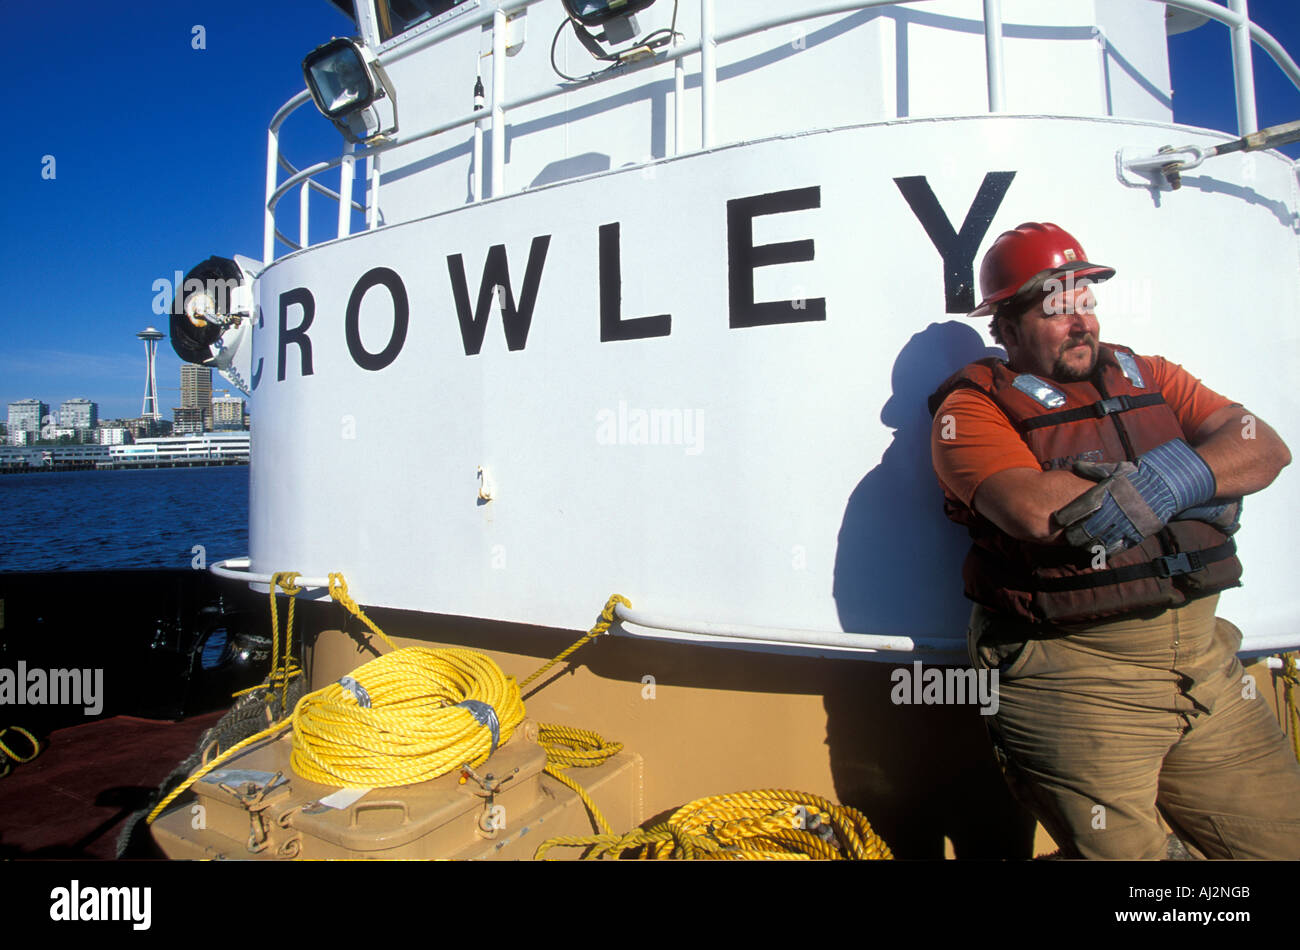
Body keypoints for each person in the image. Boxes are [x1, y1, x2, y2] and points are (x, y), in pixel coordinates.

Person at [927, 221, 1300, 859]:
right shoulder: (971, 412)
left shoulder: (1149, 373)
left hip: (1207, 663)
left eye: (1088, 304)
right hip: (1077, 677)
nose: (1083, 324)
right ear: (1008, 325)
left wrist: (1169, 483)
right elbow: (1036, 511)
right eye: (1058, 309)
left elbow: (1263, 446)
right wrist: (1205, 485)